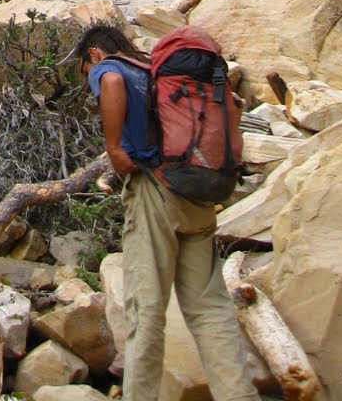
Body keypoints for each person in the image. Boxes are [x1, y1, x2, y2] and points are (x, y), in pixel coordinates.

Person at [75, 22, 258, 401]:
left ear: (93, 54)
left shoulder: (111, 68)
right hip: (198, 193)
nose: (89, 77)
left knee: (146, 311)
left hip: (155, 194)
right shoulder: (149, 70)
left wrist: (114, 149)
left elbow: (108, 85)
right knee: (209, 308)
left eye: (85, 70)